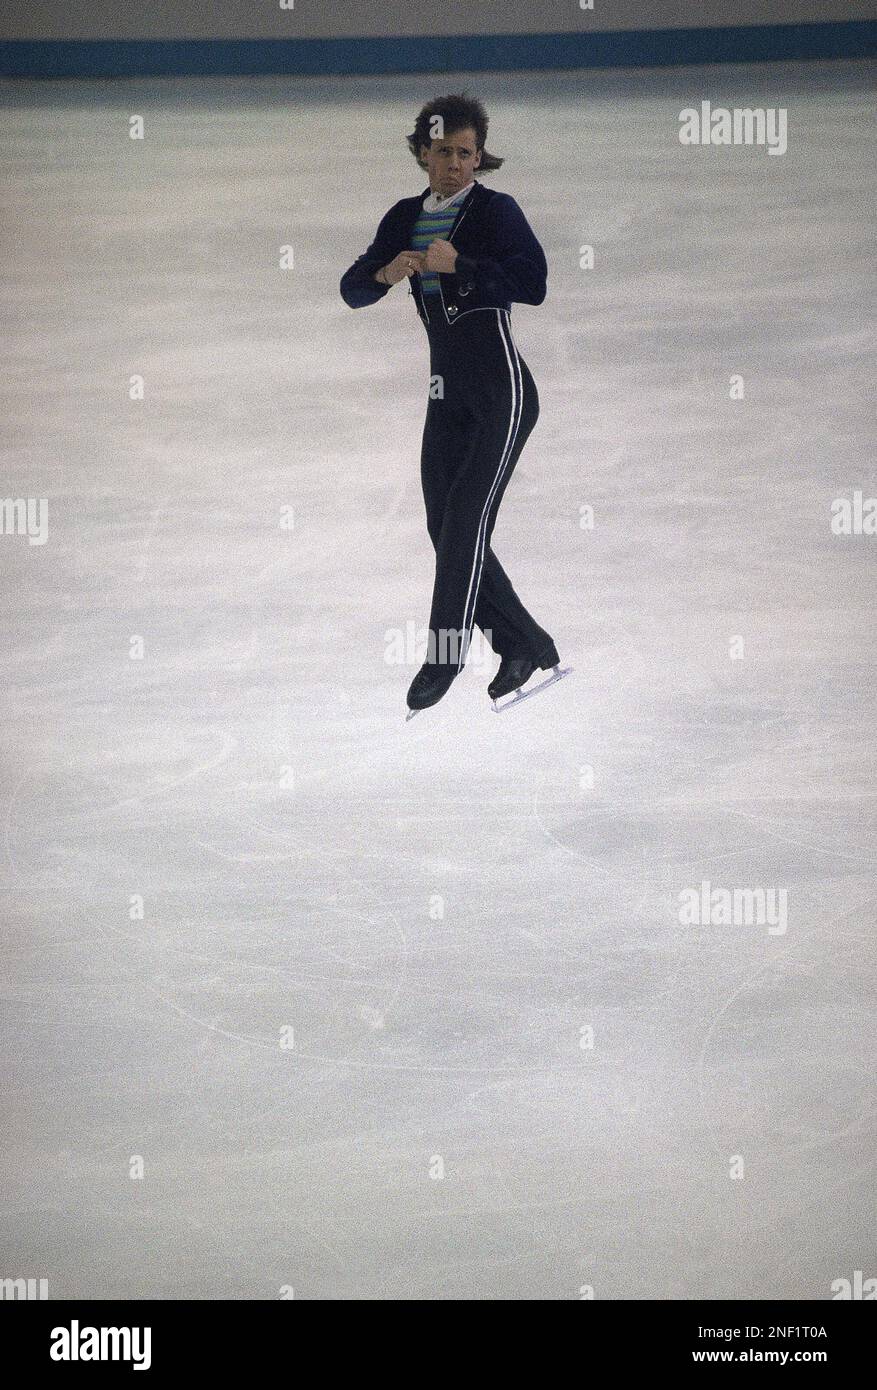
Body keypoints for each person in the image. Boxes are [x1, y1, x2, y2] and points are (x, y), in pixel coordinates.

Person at [340, 91, 562, 716]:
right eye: (442, 153)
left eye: (465, 154)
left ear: (478, 157)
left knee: (465, 520)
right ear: (422, 154)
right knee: (445, 526)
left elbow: (534, 282)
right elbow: (352, 289)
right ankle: (524, 643)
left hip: (502, 394)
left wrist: (460, 262)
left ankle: (446, 655)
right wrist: (385, 274)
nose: (455, 165)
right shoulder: (405, 217)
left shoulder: (495, 212)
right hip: (446, 397)